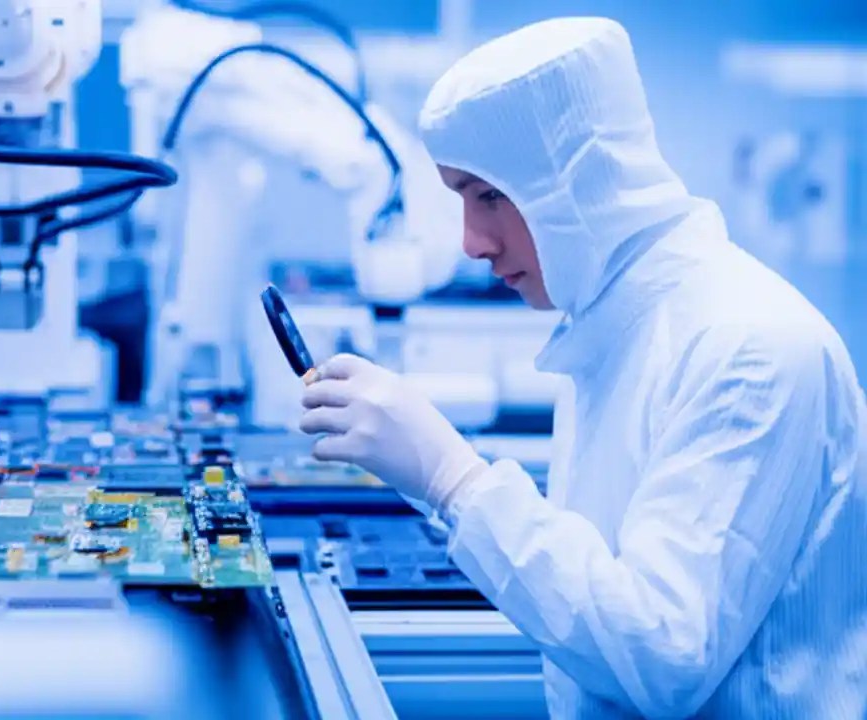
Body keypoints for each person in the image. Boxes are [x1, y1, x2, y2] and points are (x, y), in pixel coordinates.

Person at [299, 17, 867, 718]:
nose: (472, 243)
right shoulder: (618, 330)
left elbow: (661, 655)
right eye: (461, 200)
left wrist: (456, 481)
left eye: (489, 196)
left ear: (575, 182)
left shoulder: (751, 349)